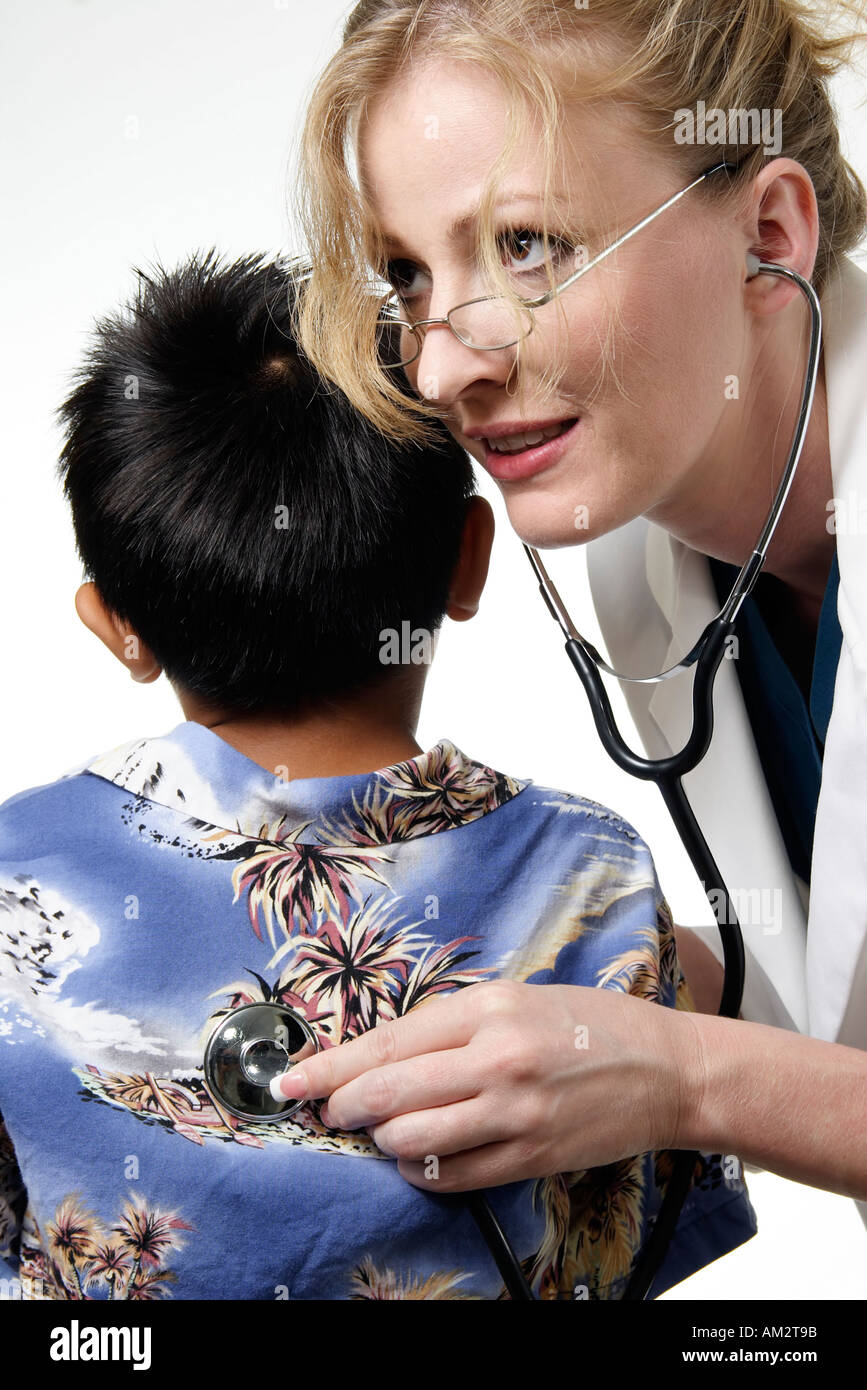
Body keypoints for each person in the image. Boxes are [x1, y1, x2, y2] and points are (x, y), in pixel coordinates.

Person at [0, 249, 755, 1301]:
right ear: (468, 559)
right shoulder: (593, 881)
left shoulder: (14, 869)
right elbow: (625, 1248)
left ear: (115, 626)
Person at [282, 0, 867, 1239]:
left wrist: (680, 1076)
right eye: (410, 274)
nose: (441, 369)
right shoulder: (651, 565)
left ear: (769, 234)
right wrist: (560, 949)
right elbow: (838, 993)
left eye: (530, 246)